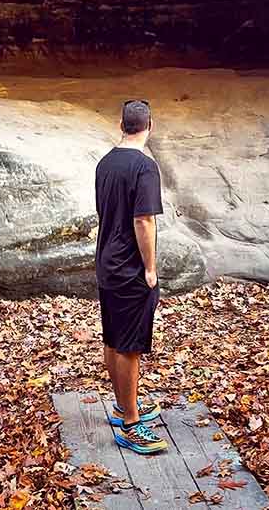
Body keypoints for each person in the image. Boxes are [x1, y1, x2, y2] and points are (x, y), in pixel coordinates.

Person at [94, 99, 168, 454]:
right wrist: (150, 268)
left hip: (106, 262)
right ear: (149, 126)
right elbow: (143, 220)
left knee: (113, 338)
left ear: (120, 124)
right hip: (129, 268)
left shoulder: (105, 163)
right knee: (130, 345)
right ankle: (131, 424)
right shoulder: (144, 167)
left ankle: (125, 405)